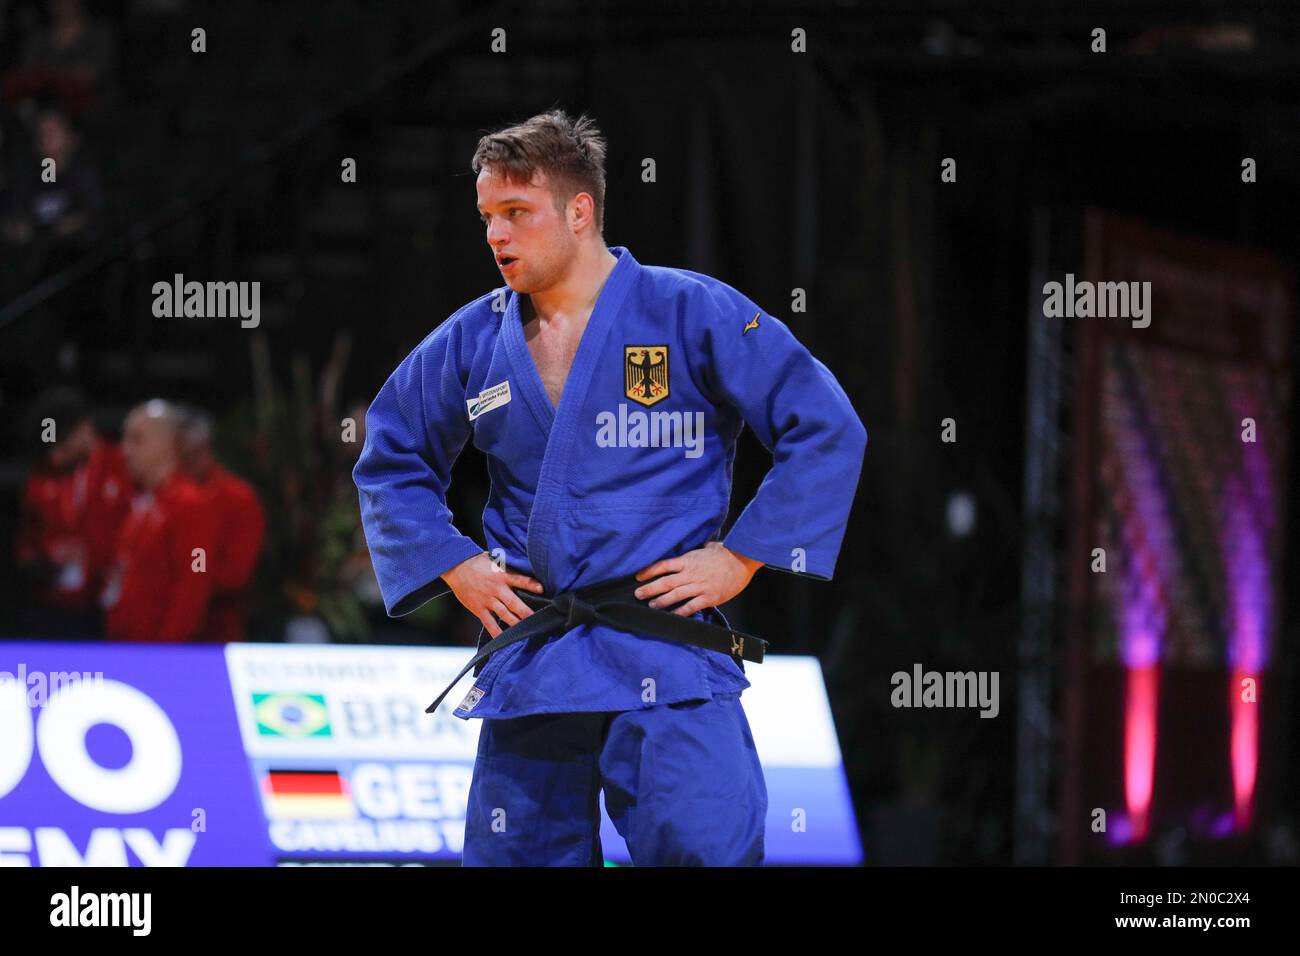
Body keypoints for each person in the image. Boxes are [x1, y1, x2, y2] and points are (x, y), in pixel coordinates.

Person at [353, 110, 867, 866]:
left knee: (706, 849)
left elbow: (826, 427)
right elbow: (391, 455)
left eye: (517, 214)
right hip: (537, 660)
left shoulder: (693, 311)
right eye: (488, 216)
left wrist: (745, 556)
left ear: (579, 210)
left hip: (667, 651)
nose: (496, 235)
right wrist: (454, 564)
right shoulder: (474, 336)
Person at [15, 387, 131, 637]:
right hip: (51, 602)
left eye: (62, 447)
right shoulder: (42, 474)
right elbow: (27, 540)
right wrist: (37, 561)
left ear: (84, 430)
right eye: (50, 450)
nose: (56, 458)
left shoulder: (123, 466)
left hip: (105, 603)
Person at [103, 399, 218, 643]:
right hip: (126, 645)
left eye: (136, 439)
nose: (124, 449)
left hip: (158, 654)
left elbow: (194, 583)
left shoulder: (191, 505)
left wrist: (167, 653)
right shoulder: (142, 502)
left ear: (166, 444)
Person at [178, 406, 265, 643]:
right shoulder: (162, 496)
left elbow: (236, 574)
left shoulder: (239, 498)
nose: (182, 464)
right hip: (161, 633)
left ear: (204, 448)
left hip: (216, 634)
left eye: (188, 456)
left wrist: (185, 578)